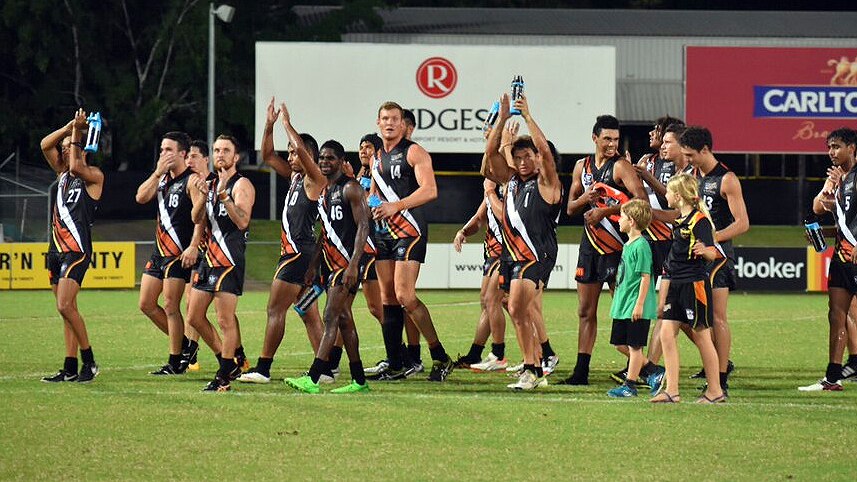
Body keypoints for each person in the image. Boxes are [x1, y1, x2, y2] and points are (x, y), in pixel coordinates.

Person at [238, 99, 326, 384]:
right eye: (288, 153)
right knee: (308, 313)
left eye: (292, 152)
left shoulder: (316, 179)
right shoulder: (296, 179)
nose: (289, 157)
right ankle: (323, 369)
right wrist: (269, 124)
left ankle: (263, 369)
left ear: (308, 156)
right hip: (299, 253)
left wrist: (288, 124)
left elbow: (301, 149)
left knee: (275, 309)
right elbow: (266, 154)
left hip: (297, 253)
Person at [369, 101, 454, 381]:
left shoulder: (414, 152)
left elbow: (430, 190)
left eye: (395, 118)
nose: (390, 123)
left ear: (403, 124)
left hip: (410, 230)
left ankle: (439, 355)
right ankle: (396, 364)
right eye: (385, 118)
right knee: (387, 298)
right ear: (378, 123)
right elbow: (376, 196)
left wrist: (398, 205)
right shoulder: (375, 158)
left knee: (405, 295)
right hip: (383, 232)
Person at [483, 93, 562, 390]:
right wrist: (501, 122)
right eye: (518, 157)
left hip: (537, 255)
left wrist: (527, 116)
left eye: (529, 156)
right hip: (514, 255)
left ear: (540, 159)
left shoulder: (548, 182)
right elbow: (488, 160)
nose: (523, 161)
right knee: (516, 309)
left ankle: (535, 367)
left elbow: (543, 149)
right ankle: (535, 366)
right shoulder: (514, 182)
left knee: (518, 307)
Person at [562, 115, 647, 385]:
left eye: (616, 139)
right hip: (590, 248)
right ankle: (581, 372)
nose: (612, 143)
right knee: (585, 311)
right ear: (594, 138)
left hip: (618, 250)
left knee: (625, 311)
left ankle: (642, 369)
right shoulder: (581, 167)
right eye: (607, 138)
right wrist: (585, 199)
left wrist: (606, 211)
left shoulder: (620, 167)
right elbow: (570, 209)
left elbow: (641, 200)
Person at [284, 140, 371, 393]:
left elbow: (363, 226)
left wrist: (354, 265)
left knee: (330, 316)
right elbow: (325, 232)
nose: (324, 161)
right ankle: (359, 380)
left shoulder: (351, 188)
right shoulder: (323, 192)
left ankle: (313, 378)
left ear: (342, 162)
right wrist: (313, 266)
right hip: (331, 266)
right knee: (344, 320)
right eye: (321, 157)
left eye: (330, 158)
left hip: (347, 265)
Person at [681, 126, 749, 392]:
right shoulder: (689, 176)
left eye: (690, 155)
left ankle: (720, 378)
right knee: (691, 318)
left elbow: (742, 223)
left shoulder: (726, 179)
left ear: (705, 150)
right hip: (693, 257)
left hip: (718, 259)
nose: (686, 160)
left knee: (717, 317)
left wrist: (713, 238)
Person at [39, 108, 104, 384]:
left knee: (65, 305)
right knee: (66, 310)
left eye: (69, 148)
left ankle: (89, 361)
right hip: (55, 249)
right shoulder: (62, 175)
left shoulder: (93, 175)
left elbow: (77, 165)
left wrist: (76, 133)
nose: (64, 152)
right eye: (64, 148)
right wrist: (68, 129)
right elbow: (44, 144)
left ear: (82, 149)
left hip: (76, 250)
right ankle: (69, 366)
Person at [186, 134, 255, 392]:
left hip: (230, 259)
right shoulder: (211, 183)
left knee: (225, 319)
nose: (220, 155)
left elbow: (242, 221)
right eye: (216, 150)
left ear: (235, 157)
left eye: (226, 150)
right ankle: (225, 360)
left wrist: (225, 197)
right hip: (209, 259)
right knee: (193, 316)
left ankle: (224, 375)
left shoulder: (242, 184)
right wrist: (204, 196)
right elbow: (196, 218)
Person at [135, 131, 205, 375]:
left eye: (168, 150)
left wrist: (194, 245)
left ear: (182, 154)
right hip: (158, 252)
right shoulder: (162, 179)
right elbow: (141, 197)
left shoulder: (191, 180)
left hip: (178, 253)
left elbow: (200, 218)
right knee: (145, 304)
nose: (163, 154)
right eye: (162, 149)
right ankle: (186, 345)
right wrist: (156, 172)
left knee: (170, 306)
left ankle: (175, 362)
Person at [652, 173, 725, 403]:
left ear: (680, 196)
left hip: (694, 286)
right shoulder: (680, 220)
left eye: (670, 191)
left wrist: (706, 251)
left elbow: (714, 252)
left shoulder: (700, 221)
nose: (666, 194)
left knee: (702, 337)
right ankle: (672, 391)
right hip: (676, 285)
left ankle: (715, 391)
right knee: (666, 333)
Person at [800, 127, 857, 391]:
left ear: (852, 148)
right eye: (829, 147)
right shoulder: (838, 178)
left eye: (836, 146)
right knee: (836, 315)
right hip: (842, 256)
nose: (832, 152)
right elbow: (817, 207)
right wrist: (832, 184)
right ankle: (832, 377)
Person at [452, 177, 507, 371]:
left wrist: (491, 191)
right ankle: (475, 354)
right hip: (492, 252)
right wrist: (463, 231)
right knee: (489, 302)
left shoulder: (509, 184)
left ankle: (499, 355)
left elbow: (505, 217)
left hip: (509, 251)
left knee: (499, 302)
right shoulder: (491, 186)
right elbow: (479, 218)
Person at [606, 200, 659, 397]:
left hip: (636, 306)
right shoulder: (628, 244)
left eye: (622, 216)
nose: (618, 220)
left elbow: (646, 276)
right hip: (623, 304)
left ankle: (630, 385)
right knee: (620, 344)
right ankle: (653, 371)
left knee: (635, 347)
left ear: (632, 221)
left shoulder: (642, 245)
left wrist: (639, 304)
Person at [178, 139, 219, 372]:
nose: (189, 160)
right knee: (191, 305)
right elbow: (196, 218)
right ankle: (190, 350)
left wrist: (194, 245)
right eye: (187, 157)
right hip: (201, 251)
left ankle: (234, 354)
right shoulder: (192, 183)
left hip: (216, 252)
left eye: (193, 156)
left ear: (206, 159)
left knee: (222, 312)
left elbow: (203, 222)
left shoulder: (216, 182)